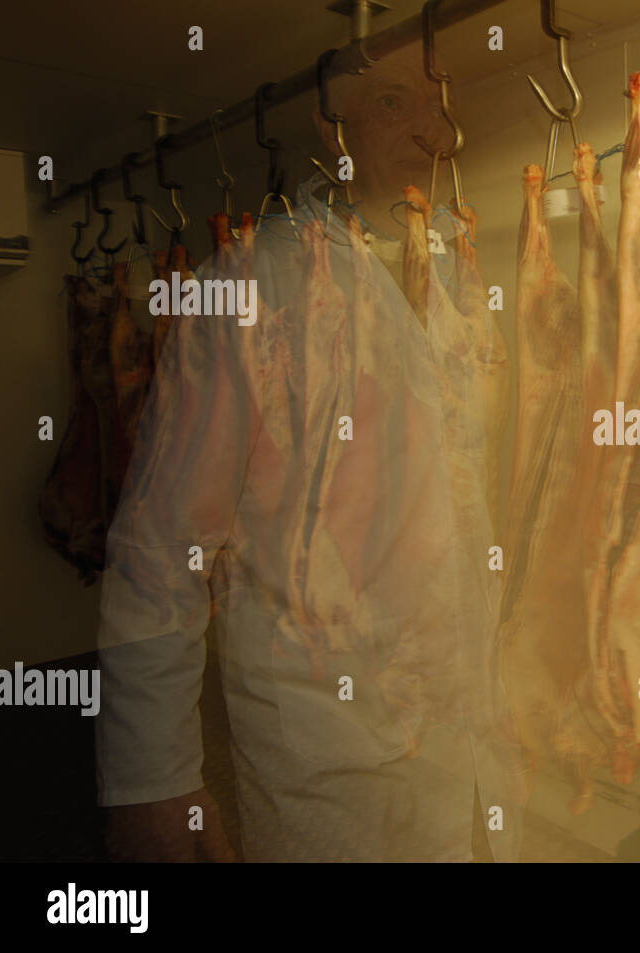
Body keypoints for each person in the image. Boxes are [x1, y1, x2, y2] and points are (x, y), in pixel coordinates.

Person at [96, 41, 520, 863]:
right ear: (332, 128)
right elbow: (159, 548)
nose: (430, 128)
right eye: (394, 102)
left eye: (440, 102)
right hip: (331, 763)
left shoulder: (465, 287)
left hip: (470, 745)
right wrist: (153, 779)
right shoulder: (251, 286)